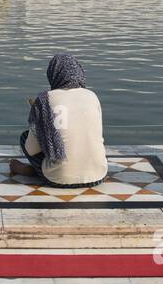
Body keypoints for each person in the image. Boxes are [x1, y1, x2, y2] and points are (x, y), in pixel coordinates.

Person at [10, 53, 108, 188]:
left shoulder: (44, 100)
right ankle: (44, 169)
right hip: (98, 175)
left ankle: (38, 171)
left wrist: (39, 119)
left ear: (53, 74)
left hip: (58, 179)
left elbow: (31, 150)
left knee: (25, 137)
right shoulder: (92, 96)